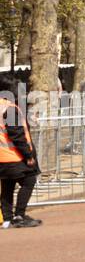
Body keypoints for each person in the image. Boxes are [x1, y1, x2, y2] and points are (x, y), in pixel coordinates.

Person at [0, 75, 41, 229]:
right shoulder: (9, 108)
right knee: (29, 180)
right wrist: (28, 155)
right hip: (13, 154)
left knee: (7, 186)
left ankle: (7, 219)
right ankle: (19, 214)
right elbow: (17, 135)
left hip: (2, 156)